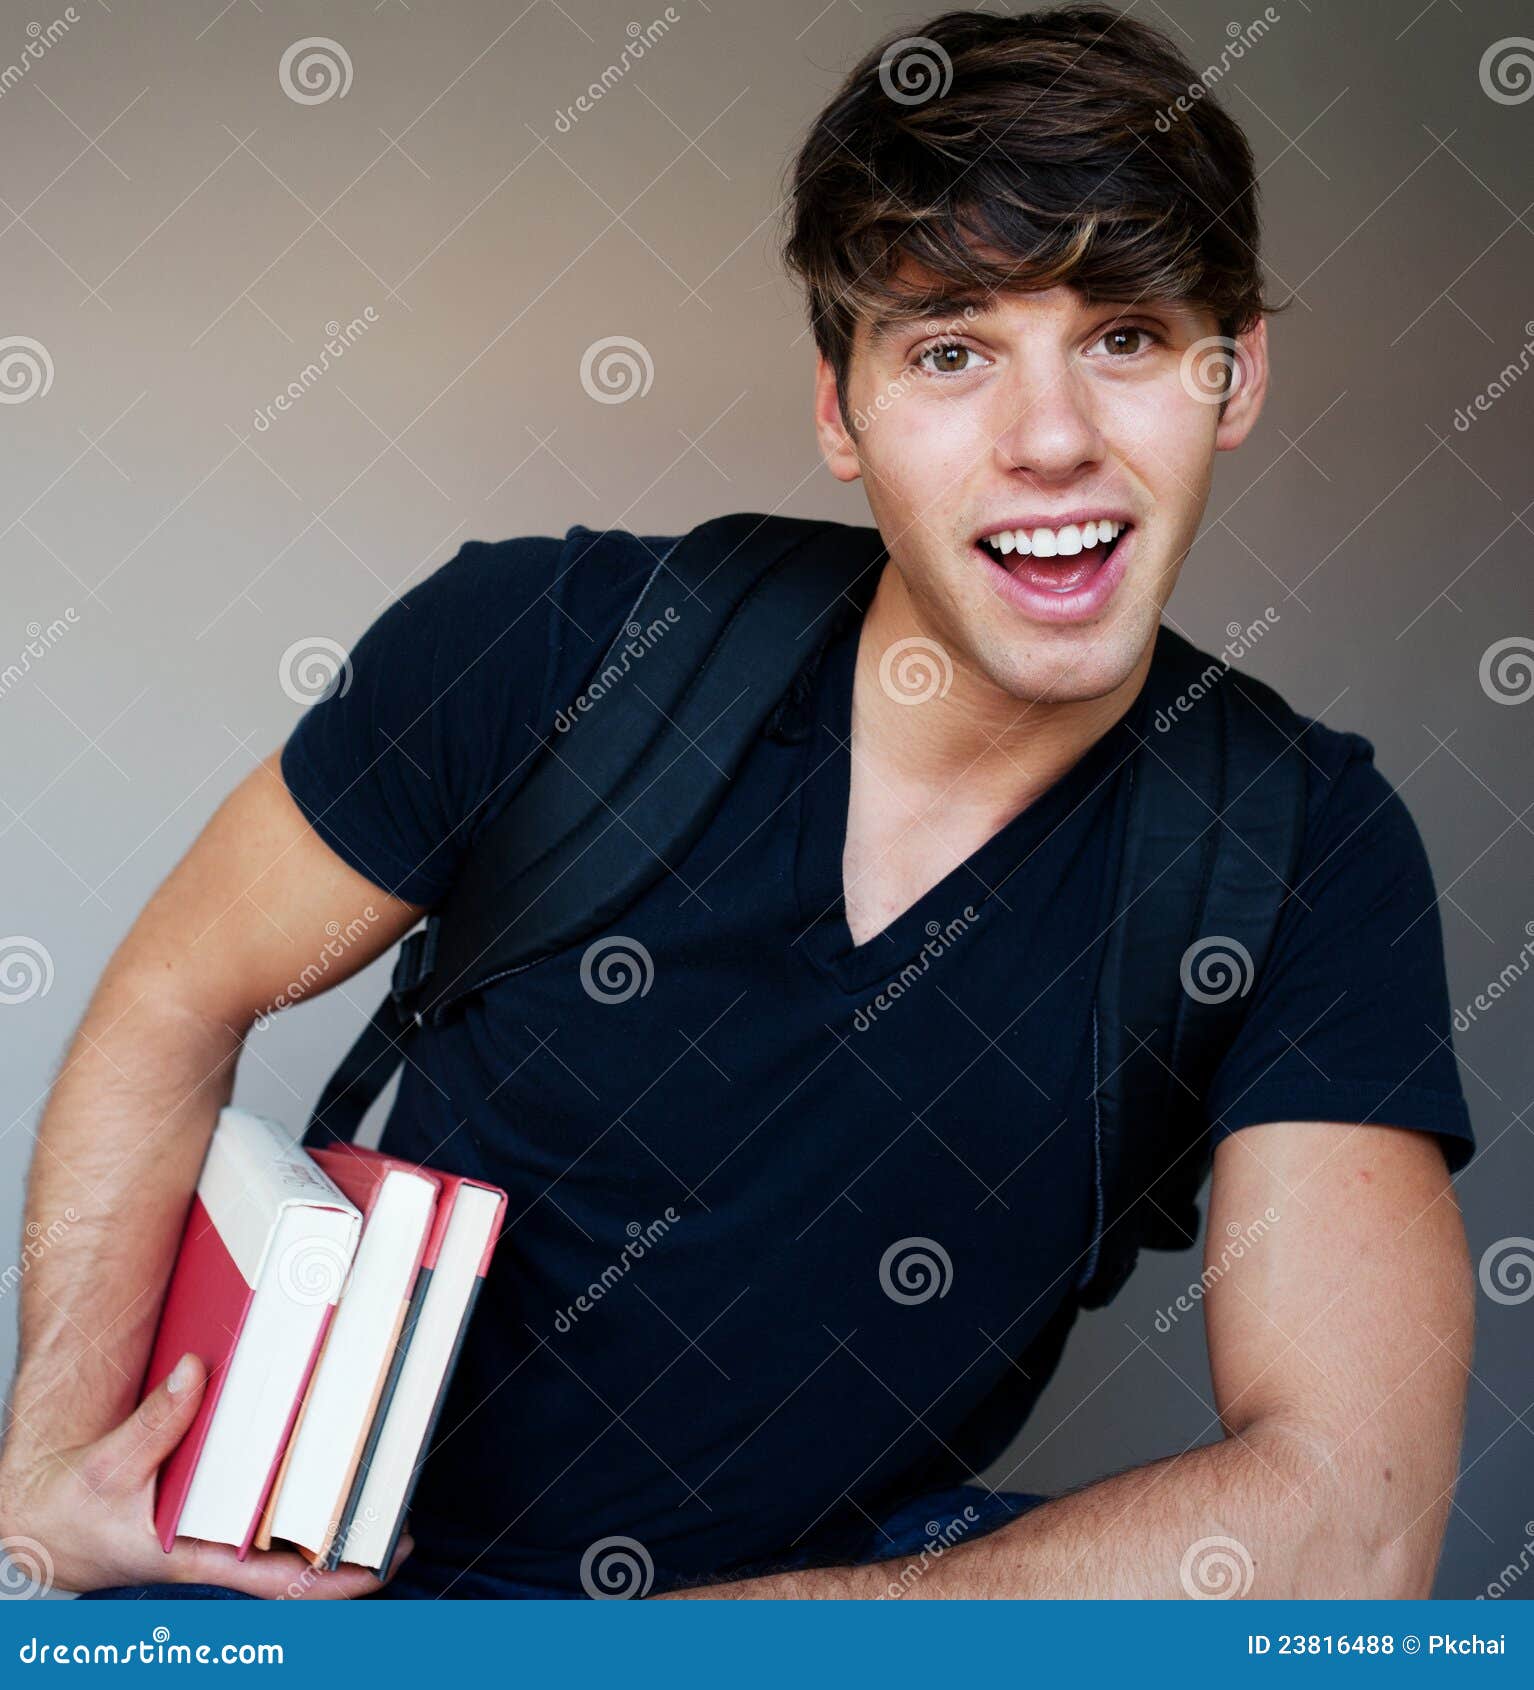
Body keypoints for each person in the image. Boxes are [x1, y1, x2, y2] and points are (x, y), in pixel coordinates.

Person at [0, 5, 1474, 1601]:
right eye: (950, 350)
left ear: (1233, 372)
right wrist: (38, 1505)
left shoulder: (1298, 843)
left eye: (1123, 336)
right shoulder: (548, 649)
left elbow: (1352, 1510)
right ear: (839, 412)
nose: (1051, 438)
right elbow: (174, 997)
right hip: (327, 1616)